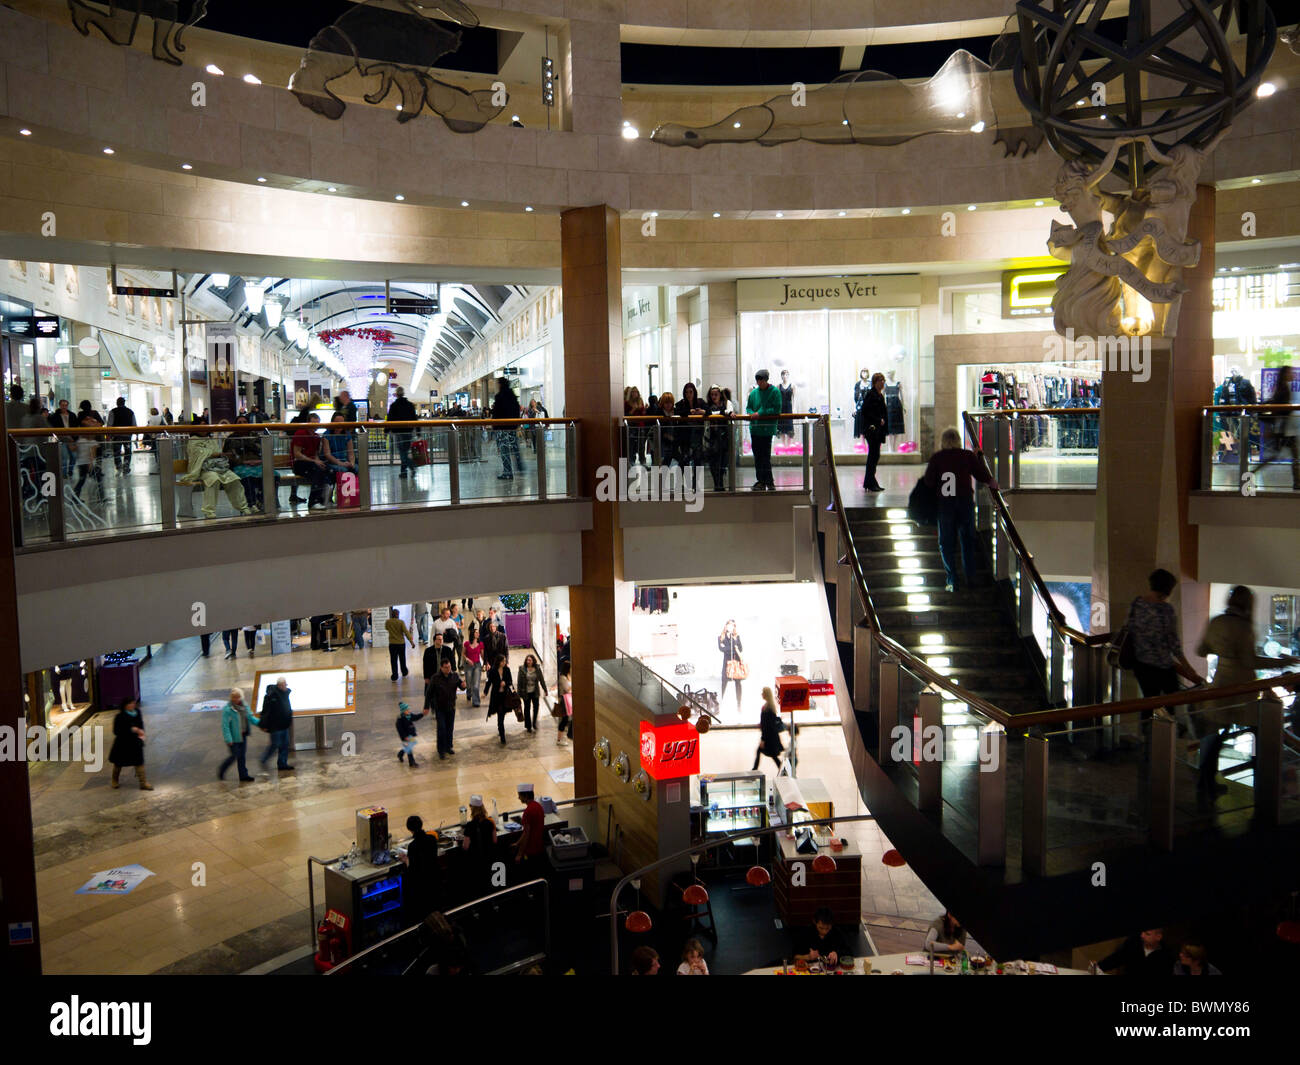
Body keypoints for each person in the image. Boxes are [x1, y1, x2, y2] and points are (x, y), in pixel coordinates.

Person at [1195, 585, 1297, 799]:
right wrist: (1282, 662)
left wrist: (1223, 651)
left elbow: (1201, 650)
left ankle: (1205, 783)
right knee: (1259, 735)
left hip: (1220, 686)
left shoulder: (1217, 622)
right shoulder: (1243, 627)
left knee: (1214, 738)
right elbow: (1250, 661)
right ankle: (1264, 789)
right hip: (1243, 689)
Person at [922, 427, 994, 593]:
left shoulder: (937, 458)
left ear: (943, 441)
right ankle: (970, 578)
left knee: (946, 544)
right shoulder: (967, 456)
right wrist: (991, 481)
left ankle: (952, 579)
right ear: (958, 440)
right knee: (967, 541)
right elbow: (980, 473)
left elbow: (929, 482)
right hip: (964, 503)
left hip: (945, 505)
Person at [1122, 569, 1205, 702]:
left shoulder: (1137, 603)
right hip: (1162, 666)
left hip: (1141, 665)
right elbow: (1173, 643)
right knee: (1171, 703)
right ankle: (1167, 723)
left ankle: (1146, 723)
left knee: (1148, 702)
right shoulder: (1165, 610)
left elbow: (1127, 627)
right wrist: (1187, 667)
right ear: (1168, 589)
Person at [1249, 367, 1300, 489]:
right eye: (1290, 373)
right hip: (1285, 430)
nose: (1292, 374)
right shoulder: (1283, 390)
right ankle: (1297, 483)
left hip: (1286, 429)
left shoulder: (1284, 388)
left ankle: (1297, 483)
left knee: (1291, 456)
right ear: (1285, 375)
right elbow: (1280, 411)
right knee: (1290, 456)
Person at [745, 368, 782, 490]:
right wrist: (752, 414)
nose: (759, 383)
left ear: (766, 380)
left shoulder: (775, 392)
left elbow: (776, 409)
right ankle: (761, 481)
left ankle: (769, 481)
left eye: (761, 380)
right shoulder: (754, 393)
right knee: (758, 456)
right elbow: (749, 407)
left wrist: (760, 413)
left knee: (765, 456)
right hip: (755, 429)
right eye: (758, 380)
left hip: (766, 430)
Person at [401, 814, 443, 921]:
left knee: (424, 916)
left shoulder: (412, 846)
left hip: (421, 887)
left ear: (410, 829)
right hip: (434, 880)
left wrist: (406, 860)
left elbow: (413, 869)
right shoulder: (432, 839)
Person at [425, 657, 466, 759]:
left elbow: (461, 686)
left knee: (449, 728)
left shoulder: (455, 676)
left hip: (451, 707)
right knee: (441, 729)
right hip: (440, 708)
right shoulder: (435, 678)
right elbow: (428, 693)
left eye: (449, 667)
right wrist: (426, 707)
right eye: (446, 667)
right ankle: (441, 750)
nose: (448, 669)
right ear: (441, 668)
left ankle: (448, 746)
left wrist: (464, 686)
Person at [459, 795, 498, 901]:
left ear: (472, 808)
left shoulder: (470, 825)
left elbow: (466, 847)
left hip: (476, 862)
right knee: (489, 884)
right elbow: (495, 841)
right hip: (489, 859)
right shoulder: (490, 823)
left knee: (478, 887)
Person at [108, 697, 152, 790]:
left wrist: (141, 732)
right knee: (118, 763)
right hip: (122, 744)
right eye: (130, 704)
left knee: (139, 762)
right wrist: (131, 729)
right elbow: (116, 731)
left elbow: (141, 724)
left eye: (133, 703)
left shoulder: (137, 713)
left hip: (135, 743)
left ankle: (143, 783)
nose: (132, 705)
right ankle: (114, 780)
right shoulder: (119, 717)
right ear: (125, 705)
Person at [218, 687, 258, 782]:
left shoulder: (245, 706)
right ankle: (222, 769)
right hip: (234, 738)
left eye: (238, 697)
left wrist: (261, 723)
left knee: (242, 756)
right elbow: (225, 726)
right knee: (234, 756)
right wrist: (228, 739)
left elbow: (251, 718)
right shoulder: (227, 710)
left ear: (241, 697)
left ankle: (243, 775)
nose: (236, 699)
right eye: (234, 697)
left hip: (243, 736)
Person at [290, 413, 330, 509]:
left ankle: (321, 498)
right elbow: (297, 454)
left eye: (317, 423)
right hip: (299, 463)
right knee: (318, 471)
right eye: (313, 423)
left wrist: (318, 461)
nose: (315, 426)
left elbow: (315, 454)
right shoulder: (300, 433)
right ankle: (313, 502)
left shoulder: (316, 437)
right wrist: (314, 461)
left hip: (310, 463)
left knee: (325, 469)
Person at [1097, 928, 1173, 976]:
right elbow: (1117, 957)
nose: (1142, 935)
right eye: (1142, 931)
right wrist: (1097, 967)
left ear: (1158, 937)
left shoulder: (1166, 955)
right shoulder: (1133, 941)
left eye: (1147, 934)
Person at [860, 372, 888, 492]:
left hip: (878, 430)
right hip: (872, 430)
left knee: (875, 456)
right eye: (880, 380)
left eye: (883, 380)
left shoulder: (880, 395)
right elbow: (865, 411)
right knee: (873, 456)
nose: (882, 382)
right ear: (875, 382)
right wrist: (878, 420)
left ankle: (869, 481)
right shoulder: (871, 395)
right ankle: (870, 482)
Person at [259, 677, 295, 772]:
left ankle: (282, 764)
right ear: (279, 685)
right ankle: (264, 759)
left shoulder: (285, 693)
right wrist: (264, 725)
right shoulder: (271, 696)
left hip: (284, 725)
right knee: (275, 744)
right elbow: (265, 712)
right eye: (284, 685)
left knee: (285, 744)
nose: (286, 686)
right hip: (275, 726)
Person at [491, 377, 522, 480]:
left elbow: (496, 413)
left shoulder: (499, 397)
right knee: (514, 447)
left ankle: (508, 472)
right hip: (512, 427)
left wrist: (494, 427)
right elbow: (517, 410)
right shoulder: (512, 396)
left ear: (500, 384)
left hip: (502, 428)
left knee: (504, 450)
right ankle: (520, 467)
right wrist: (516, 424)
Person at [514, 783, 546, 880]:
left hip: (531, 851)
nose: (518, 798)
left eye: (520, 795)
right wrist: (517, 843)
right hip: (539, 848)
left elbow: (527, 834)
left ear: (526, 796)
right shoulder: (538, 807)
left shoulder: (528, 812)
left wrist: (519, 854)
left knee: (529, 877)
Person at [702, 384, 731, 491]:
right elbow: (711, 413)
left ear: (720, 395)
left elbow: (728, 411)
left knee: (723, 462)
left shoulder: (726, 404)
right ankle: (718, 485)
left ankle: (720, 484)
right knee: (713, 462)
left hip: (723, 437)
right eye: (712, 394)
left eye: (716, 394)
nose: (714, 397)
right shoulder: (707, 406)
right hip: (712, 438)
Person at [673, 382, 707, 470]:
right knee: (684, 460)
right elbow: (677, 412)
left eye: (690, 392)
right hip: (685, 437)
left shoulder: (700, 402)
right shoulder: (681, 403)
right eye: (686, 392)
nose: (688, 394)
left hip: (697, 435)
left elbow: (708, 411)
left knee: (698, 460)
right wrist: (689, 412)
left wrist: (703, 412)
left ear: (694, 392)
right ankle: (683, 482)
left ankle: (696, 482)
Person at [387, 386, 418, 479]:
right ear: (403, 394)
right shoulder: (410, 405)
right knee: (404, 452)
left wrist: (386, 430)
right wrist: (418, 431)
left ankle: (411, 466)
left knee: (402, 453)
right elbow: (415, 419)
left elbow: (390, 419)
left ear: (396, 394)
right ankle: (404, 472)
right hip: (408, 432)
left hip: (398, 432)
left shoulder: (393, 406)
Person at [484, 652, 515, 745]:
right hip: (496, 696)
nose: (504, 662)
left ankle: (500, 727)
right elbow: (489, 682)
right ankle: (502, 736)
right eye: (503, 661)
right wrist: (485, 692)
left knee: (502, 715)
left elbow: (510, 681)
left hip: (505, 696)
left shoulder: (507, 670)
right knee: (500, 715)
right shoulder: (493, 671)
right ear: (499, 662)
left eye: (505, 661)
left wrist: (505, 683)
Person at [752, 686, 785, 771]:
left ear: (766, 694)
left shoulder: (767, 708)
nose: (761, 694)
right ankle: (783, 771)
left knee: (764, 753)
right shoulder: (769, 706)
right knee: (772, 755)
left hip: (769, 738)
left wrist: (763, 739)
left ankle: (754, 771)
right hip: (771, 737)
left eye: (763, 692)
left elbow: (767, 726)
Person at [516, 653, 548, 733]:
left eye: (530, 660)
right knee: (527, 709)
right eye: (527, 660)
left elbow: (541, 679)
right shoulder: (522, 669)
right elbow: (519, 682)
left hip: (535, 691)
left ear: (533, 661)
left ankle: (534, 723)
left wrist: (545, 689)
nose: (528, 661)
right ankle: (528, 725)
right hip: (525, 692)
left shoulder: (537, 668)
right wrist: (518, 694)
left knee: (536, 707)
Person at [718, 619, 744, 712]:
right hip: (726, 663)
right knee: (724, 682)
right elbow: (721, 649)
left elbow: (740, 649)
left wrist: (733, 643)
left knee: (738, 683)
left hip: (735, 662)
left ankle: (739, 704)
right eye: (729, 625)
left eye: (733, 625)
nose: (731, 627)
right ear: (726, 626)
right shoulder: (721, 637)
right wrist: (733, 648)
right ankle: (722, 703)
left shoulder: (736, 637)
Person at [107, 396, 136, 473]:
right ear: (124, 403)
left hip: (117, 436)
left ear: (117, 403)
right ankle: (126, 466)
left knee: (117, 451)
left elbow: (109, 424)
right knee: (128, 451)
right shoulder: (130, 412)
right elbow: (134, 425)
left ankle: (119, 466)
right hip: (127, 436)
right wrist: (133, 434)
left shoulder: (112, 411)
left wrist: (109, 435)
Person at [386, 608, 415, 681]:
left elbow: (386, 628)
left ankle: (395, 676)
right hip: (401, 643)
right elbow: (406, 632)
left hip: (392, 644)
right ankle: (404, 672)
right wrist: (412, 642)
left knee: (393, 660)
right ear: (398, 615)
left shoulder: (388, 622)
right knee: (402, 658)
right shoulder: (401, 622)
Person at [396, 701, 427, 767]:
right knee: (409, 749)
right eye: (407, 710)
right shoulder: (400, 720)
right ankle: (412, 762)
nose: (408, 711)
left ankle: (400, 754)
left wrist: (422, 714)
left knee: (408, 747)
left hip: (410, 734)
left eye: (408, 709)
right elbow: (400, 730)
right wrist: (404, 737)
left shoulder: (409, 715)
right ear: (403, 711)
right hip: (405, 736)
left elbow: (415, 717)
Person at [463, 623, 484, 707]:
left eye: (478, 633)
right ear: (472, 634)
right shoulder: (467, 644)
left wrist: (486, 663)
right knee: (468, 683)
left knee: (475, 684)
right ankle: (469, 693)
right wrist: (467, 659)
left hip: (477, 665)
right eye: (476, 633)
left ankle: (476, 701)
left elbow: (482, 655)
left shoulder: (481, 644)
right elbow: (463, 654)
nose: (478, 634)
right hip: (468, 665)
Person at [555, 660, 572, 744]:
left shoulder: (568, 676)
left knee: (567, 719)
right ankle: (559, 739)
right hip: (565, 701)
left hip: (568, 700)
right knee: (564, 720)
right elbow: (567, 689)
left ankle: (564, 736)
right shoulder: (562, 677)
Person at [777, 369, 795, 442]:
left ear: (788, 376)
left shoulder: (792, 385)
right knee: (781, 426)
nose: (785, 376)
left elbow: (794, 398)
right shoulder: (778, 386)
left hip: (789, 407)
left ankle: (789, 445)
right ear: (781, 376)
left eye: (786, 374)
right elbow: (777, 398)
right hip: (781, 407)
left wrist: (794, 408)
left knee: (789, 425)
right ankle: (783, 444)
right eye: (783, 374)